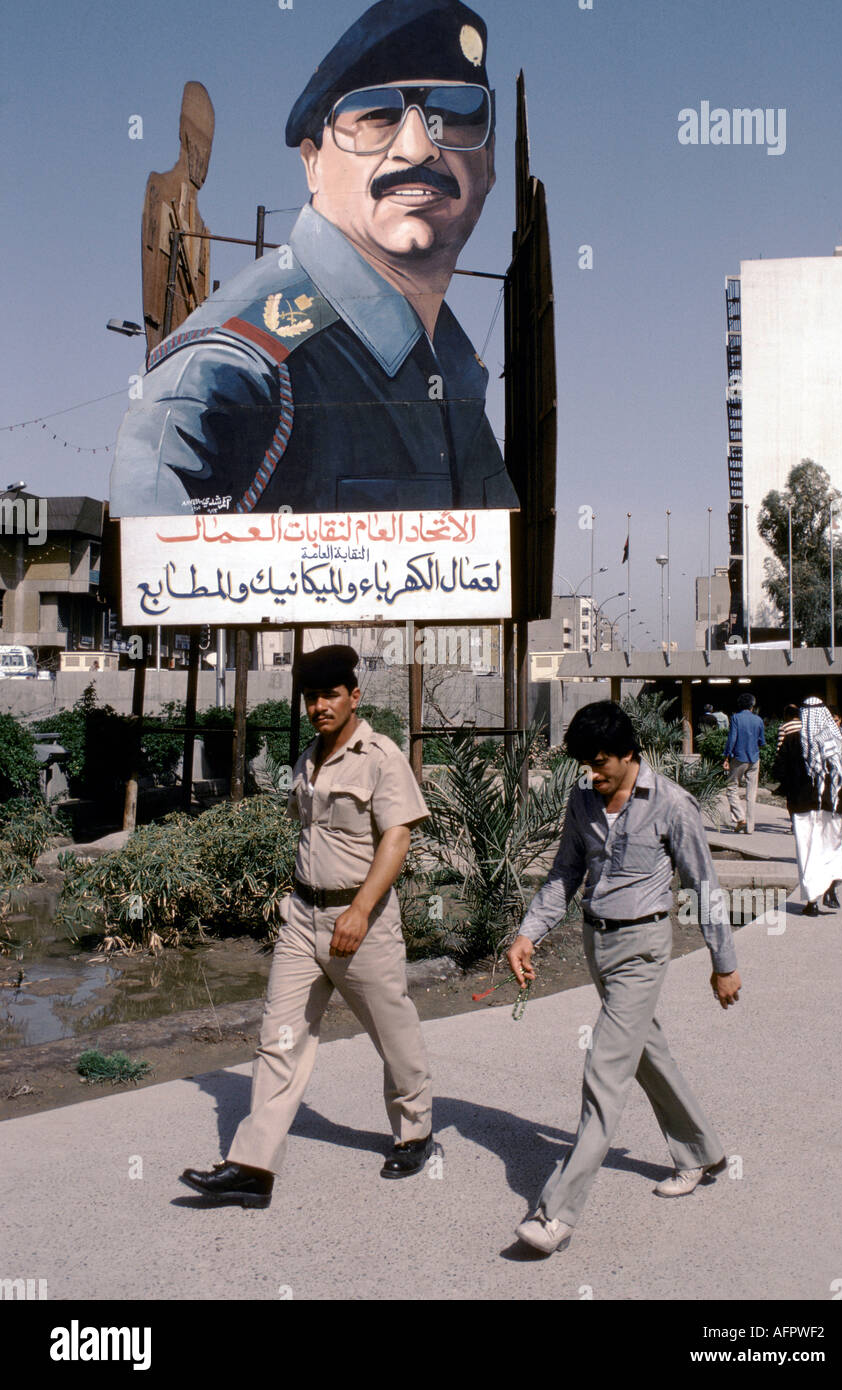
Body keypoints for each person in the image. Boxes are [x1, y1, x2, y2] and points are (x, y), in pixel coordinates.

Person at [110, 0, 519, 517]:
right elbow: (159, 574)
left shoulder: (453, 370)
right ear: (313, 164)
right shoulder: (236, 373)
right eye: (377, 115)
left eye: (451, 114)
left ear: (489, 164)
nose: (418, 148)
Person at [181, 645, 434, 1207]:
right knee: (279, 1037)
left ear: (353, 697)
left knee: (391, 1032)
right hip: (302, 917)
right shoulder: (307, 759)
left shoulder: (381, 756)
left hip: (360, 920)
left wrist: (361, 909)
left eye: (331, 695)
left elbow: (397, 839)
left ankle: (415, 1130)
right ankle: (253, 1167)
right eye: (311, 697)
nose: (320, 706)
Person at [505, 701, 741, 1256]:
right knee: (643, 1049)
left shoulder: (671, 805)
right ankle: (701, 1152)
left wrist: (723, 962)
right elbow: (566, 873)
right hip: (598, 943)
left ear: (630, 752)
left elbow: (704, 885)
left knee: (604, 1067)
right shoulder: (583, 800)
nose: (594, 772)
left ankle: (555, 1215)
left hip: (644, 947)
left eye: (602, 761)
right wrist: (527, 933)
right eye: (587, 763)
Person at [772, 696, 842, 916]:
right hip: (833, 804)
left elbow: (778, 772)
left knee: (807, 851)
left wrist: (792, 785)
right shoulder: (838, 740)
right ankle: (830, 888)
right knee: (831, 847)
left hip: (802, 807)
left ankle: (812, 901)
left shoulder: (792, 740)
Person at [722, 692, 765, 834]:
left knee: (731, 788)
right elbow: (761, 741)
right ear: (752, 706)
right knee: (751, 793)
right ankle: (750, 827)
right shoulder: (758, 720)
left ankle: (740, 818)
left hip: (739, 757)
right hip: (754, 758)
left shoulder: (735, 718)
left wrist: (726, 756)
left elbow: (732, 738)